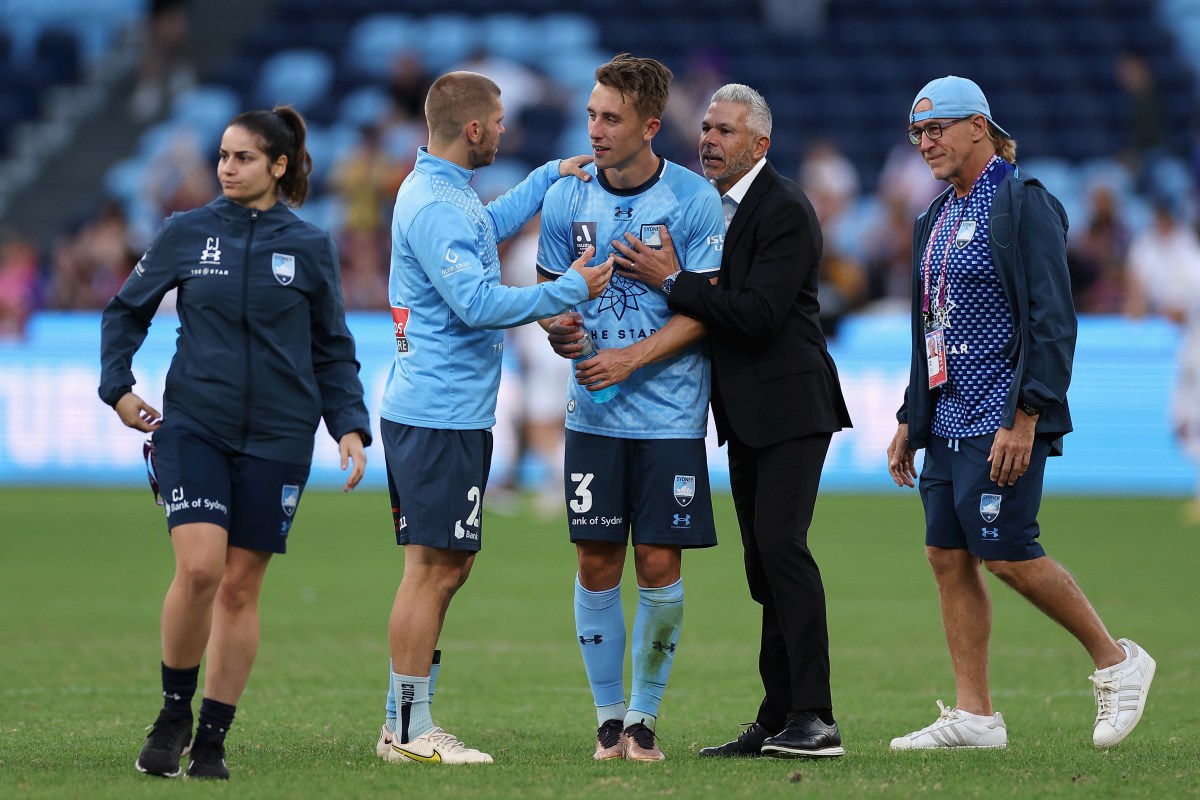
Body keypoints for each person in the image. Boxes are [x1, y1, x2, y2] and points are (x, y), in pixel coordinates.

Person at [98, 105, 371, 780]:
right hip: (195, 423)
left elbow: (333, 348)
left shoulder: (309, 245)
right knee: (199, 569)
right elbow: (126, 309)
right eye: (222, 155)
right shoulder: (185, 232)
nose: (226, 167)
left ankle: (213, 740)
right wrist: (119, 388)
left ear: (278, 166)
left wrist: (350, 426)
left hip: (280, 434)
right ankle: (172, 713)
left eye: (242, 157)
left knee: (240, 588)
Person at [884, 76, 1155, 750]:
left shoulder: (1022, 201)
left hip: (1000, 413)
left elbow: (1053, 320)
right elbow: (930, 327)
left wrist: (1028, 413)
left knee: (1005, 553)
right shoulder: (936, 216)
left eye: (938, 127)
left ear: (978, 125)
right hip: (947, 418)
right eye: (917, 132)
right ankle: (975, 715)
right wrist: (908, 416)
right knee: (947, 555)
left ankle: (1117, 661)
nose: (926, 142)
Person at [375, 70, 612, 766]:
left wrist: (545, 178)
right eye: (500, 121)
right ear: (473, 129)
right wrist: (571, 288)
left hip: (449, 412)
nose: (505, 129)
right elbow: (477, 304)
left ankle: (401, 720)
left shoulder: (450, 194)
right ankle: (411, 732)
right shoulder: (435, 204)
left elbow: (491, 224)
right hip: (437, 414)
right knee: (433, 569)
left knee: (446, 565)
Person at [616, 83, 851, 760]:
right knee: (763, 566)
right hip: (749, 413)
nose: (708, 140)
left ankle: (816, 716)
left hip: (792, 406)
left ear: (760, 144)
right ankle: (779, 717)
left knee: (782, 551)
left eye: (724, 131)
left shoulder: (784, 210)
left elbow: (756, 316)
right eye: (708, 128)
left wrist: (672, 280)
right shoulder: (706, 207)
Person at [537, 53, 725, 762]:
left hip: (670, 418)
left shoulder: (692, 201)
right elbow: (548, 287)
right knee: (594, 560)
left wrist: (627, 358)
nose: (595, 129)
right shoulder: (566, 197)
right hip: (592, 414)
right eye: (590, 114)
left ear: (650, 125)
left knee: (656, 561)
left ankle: (645, 719)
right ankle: (608, 719)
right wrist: (556, 328)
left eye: (610, 118)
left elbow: (706, 311)